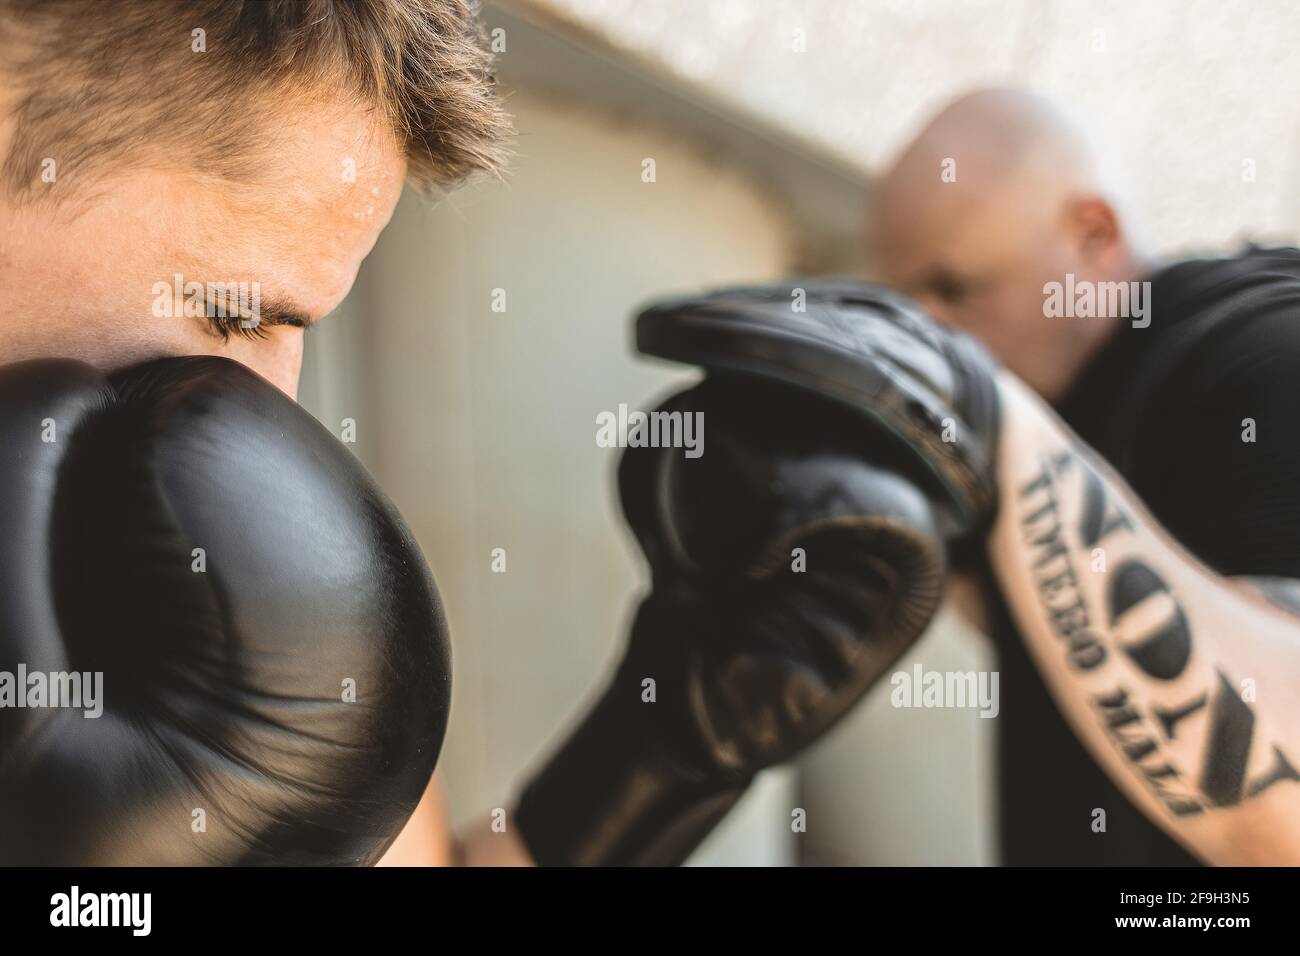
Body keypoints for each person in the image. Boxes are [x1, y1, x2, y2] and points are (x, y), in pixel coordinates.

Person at [1, 0, 941, 868]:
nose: (267, 409)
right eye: (234, 313)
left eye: (297, 333)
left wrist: (648, 768)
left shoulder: (133, 579)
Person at [867, 87, 1300, 864]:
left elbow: (1287, 797)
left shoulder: (1262, 359)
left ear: (1092, 235)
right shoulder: (1058, 391)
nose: (931, 334)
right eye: (906, 301)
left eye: (956, 289)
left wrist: (1004, 426)